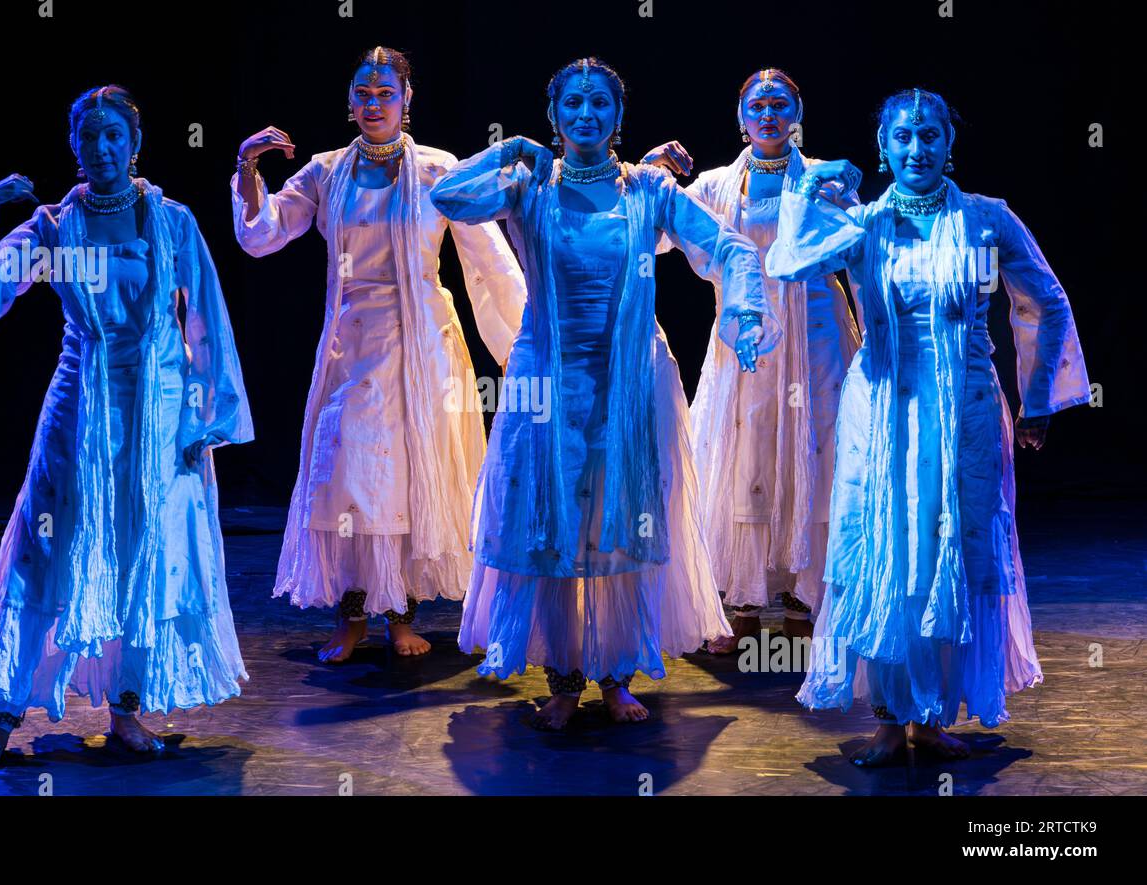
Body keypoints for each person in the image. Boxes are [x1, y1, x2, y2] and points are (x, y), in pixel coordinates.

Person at [432, 58, 772, 730]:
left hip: (630, 383)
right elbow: (447, 199)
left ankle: (616, 676)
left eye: (600, 104)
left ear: (619, 117)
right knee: (556, 526)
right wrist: (507, 149)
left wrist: (747, 314)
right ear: (554, 115)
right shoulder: (528, 184)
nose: (586, 114)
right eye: (573, 103)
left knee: (625, 524)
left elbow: (729, 247)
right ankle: (563, 678)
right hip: (548, 380)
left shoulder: (648, 189)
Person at [766, 88, 1090, 765]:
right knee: (889, 554)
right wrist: (813, 184)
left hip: (965, 412)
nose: (917, 149)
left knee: (951, 557)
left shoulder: (985, 220)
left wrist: (1037, 399)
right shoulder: (861, 222)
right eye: (903, 138)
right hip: (882, 411)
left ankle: (933, 716)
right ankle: (889, 719)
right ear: (882, 149)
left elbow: (1048, 301)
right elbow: (786, 263)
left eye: (931, 136)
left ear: (950, 144)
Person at [0, 85, 253, 772]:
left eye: (114, 134)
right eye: (90, 137)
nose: (103, 148)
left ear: (135, 143)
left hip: (158, 409)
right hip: (78, 407)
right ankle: (1, 715)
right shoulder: (56, 225)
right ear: (75, 147)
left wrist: (207, 416)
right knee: (42, 548)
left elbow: (205, 319)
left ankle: (127, 710)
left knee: (149, 551)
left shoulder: (170, 221)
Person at [232, 47, 526, 662]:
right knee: (349, 478)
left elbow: (488, 263)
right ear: (349, 102)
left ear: (407, 99)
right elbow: (261, 236)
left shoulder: (439, 170)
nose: (373, 104)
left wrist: (526, 342)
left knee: (409, 477)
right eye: (362, 93)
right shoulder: (325, 172)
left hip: (423, 343)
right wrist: (247, 170)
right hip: (352, 345)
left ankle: (400, 612)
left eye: (385, 93)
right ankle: (351, 613)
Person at [643, 69, 861, 650]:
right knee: (745, 459)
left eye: (779, 104)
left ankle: (803, 601)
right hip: (742, 347)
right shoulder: (716, 186)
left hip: (815, 343)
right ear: (740, 119)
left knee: (813, 455)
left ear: (797, 115)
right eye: (757, 105)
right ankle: (740, 600)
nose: (768, 114)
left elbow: (861, 251)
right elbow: (653, 230)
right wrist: (651, 170)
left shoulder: (822, 179)